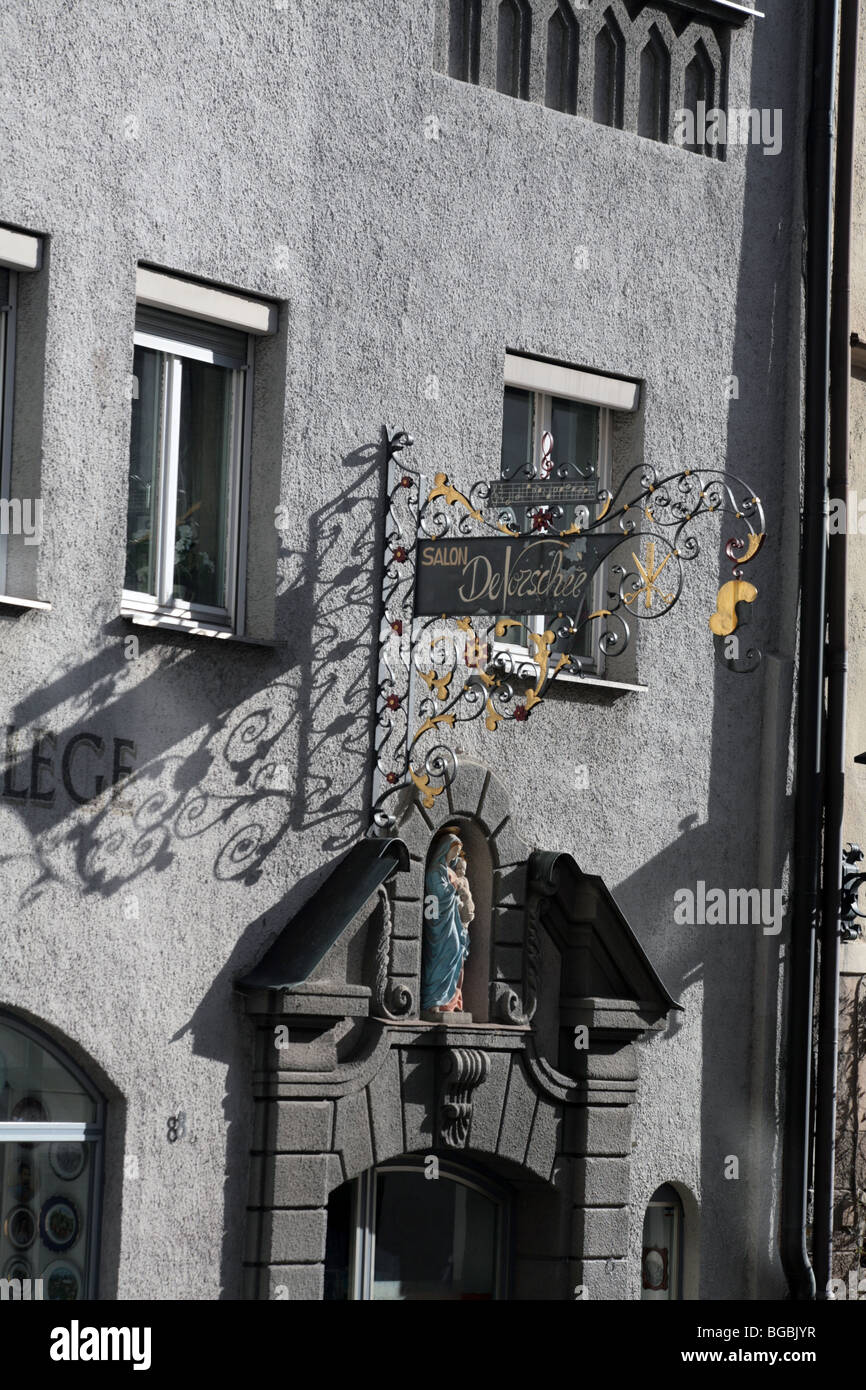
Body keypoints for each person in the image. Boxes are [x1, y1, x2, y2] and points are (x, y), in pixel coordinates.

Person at [421, 832, 471, 1013]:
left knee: (456, 950)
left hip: (451, 920)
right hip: (439, 924)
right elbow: (437, 893)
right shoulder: (435, 871)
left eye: (458, 853)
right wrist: (454, 887)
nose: (456, 857)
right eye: (454, 852)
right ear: (445, 850)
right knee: (445, 953)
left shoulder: (446, 871)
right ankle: (433, 999)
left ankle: (447, 1000)